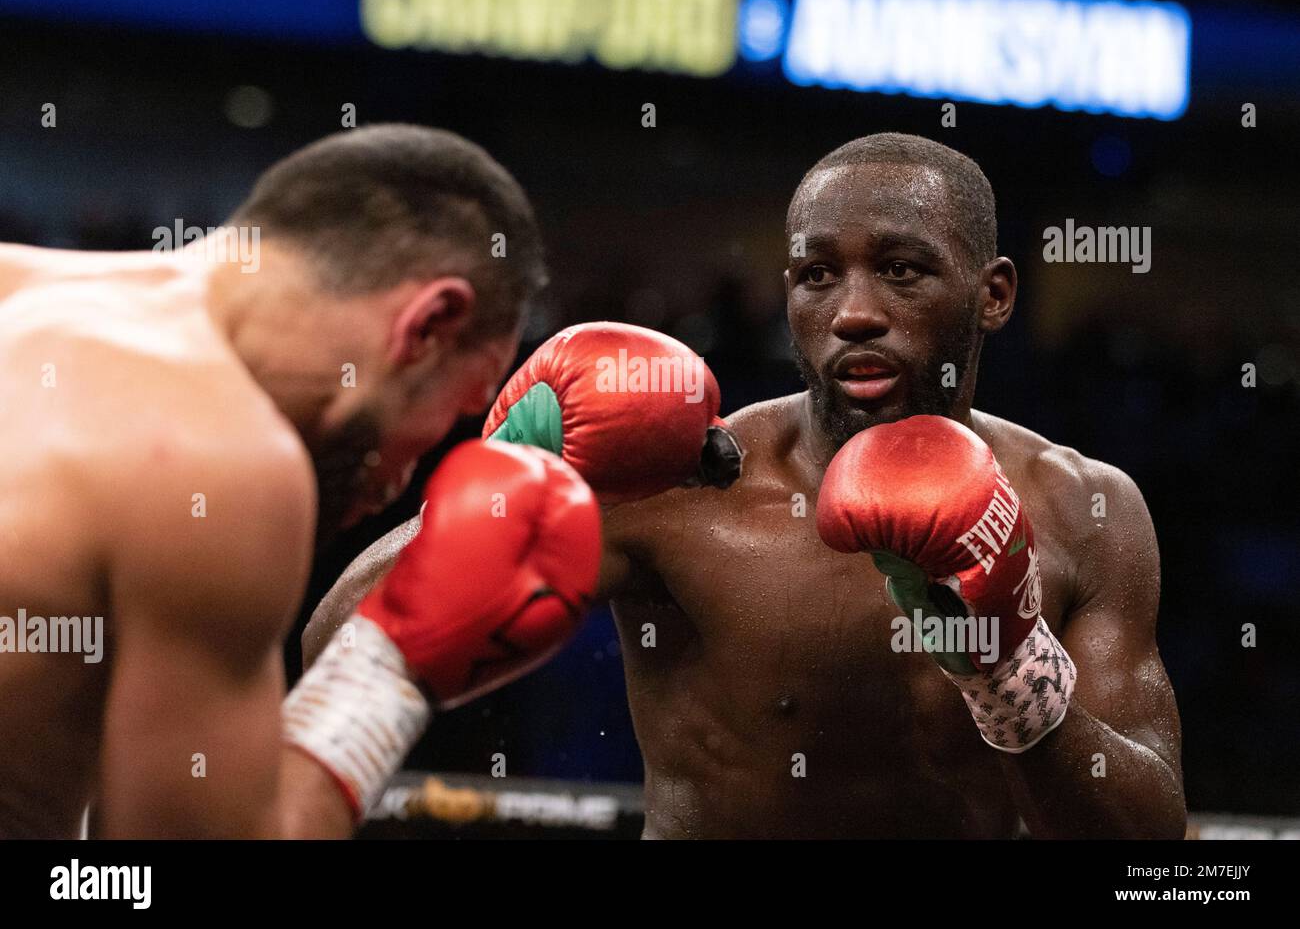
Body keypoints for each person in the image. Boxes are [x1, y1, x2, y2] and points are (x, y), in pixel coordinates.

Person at [308, 133, 1186, 838]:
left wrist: (1013, 677)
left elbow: (1153, 851)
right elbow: (337, 654)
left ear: (993, 296)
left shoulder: (1083, 510)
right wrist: (513, 478)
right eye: (817, 275)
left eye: (902, 270)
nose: (853, 311)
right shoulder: (675, 482)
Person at [0, 123, 604, 838]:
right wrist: (383, 677)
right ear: (429, 324)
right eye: (457, 410)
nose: (403, 479)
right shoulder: (219, 456)